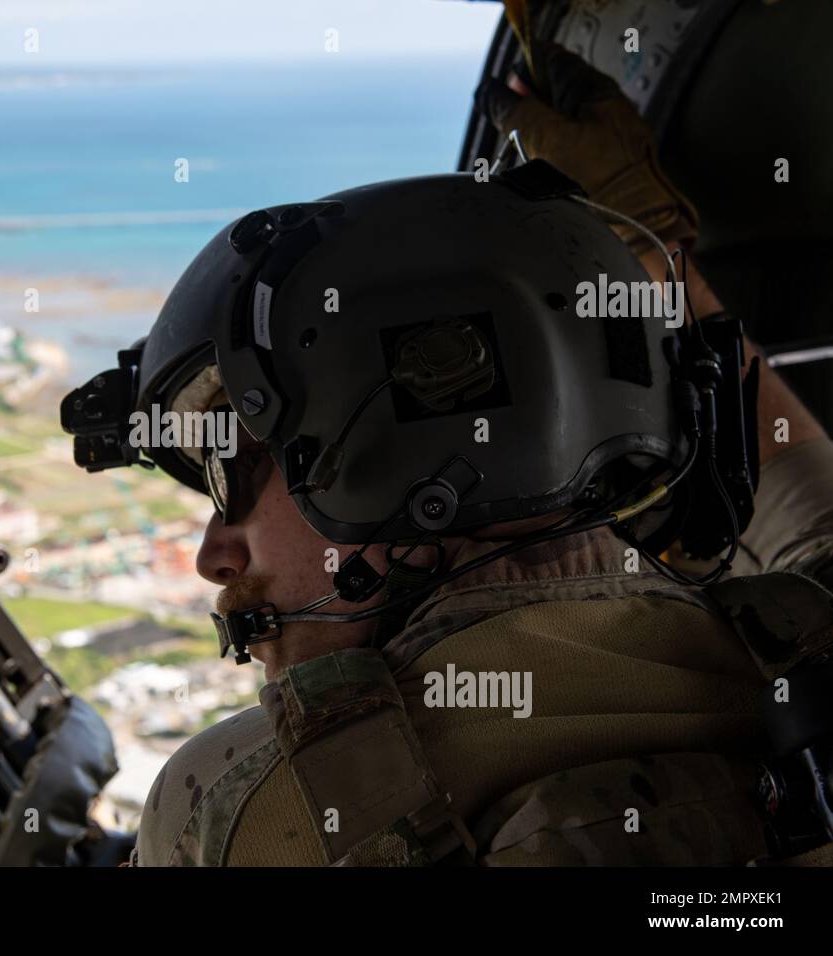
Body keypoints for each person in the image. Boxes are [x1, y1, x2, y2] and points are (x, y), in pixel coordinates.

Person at [62, 44, 833, 866]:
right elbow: (813, 506)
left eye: (231, 480)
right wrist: (653, 262)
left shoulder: (236, 808)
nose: (213, 556)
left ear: (390, 460)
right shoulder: (809, 647)